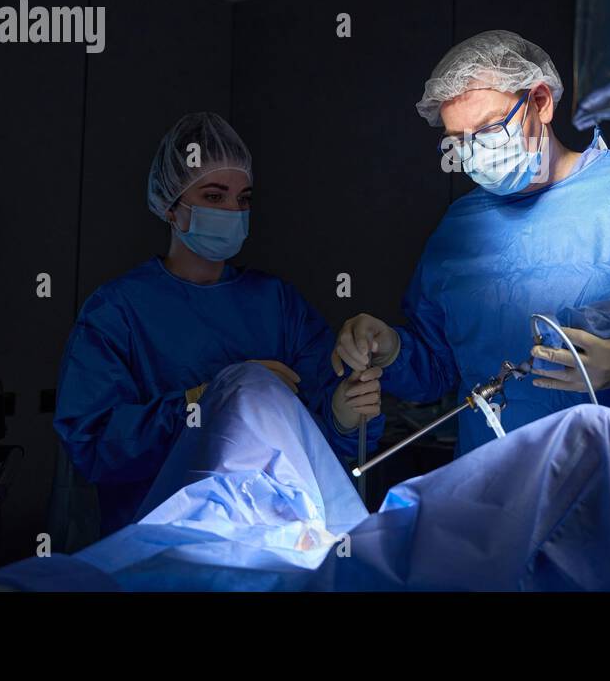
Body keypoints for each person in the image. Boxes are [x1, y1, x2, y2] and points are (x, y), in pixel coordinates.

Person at [331, 31, 610, 459]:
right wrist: (393, 349)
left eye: (489, 129)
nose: (474, 152)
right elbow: (441, 368)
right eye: (459, 140)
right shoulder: (457, 233)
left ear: (541, 102)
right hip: (498, 496)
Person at [55, 111, 382, 535]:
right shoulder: (118, 311)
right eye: (214, 197)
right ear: (170, 207)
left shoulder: (276, 303)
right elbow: (93, 444)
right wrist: (204, 402)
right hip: (165, 535)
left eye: (243, 199)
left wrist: (343, 415)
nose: (233, 210)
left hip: (278, 531)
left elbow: (319, 434)